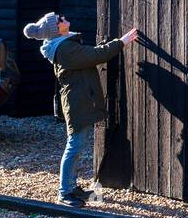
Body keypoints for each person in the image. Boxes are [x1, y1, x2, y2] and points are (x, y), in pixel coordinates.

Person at [23, 11, 139, 206]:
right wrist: (122, 41)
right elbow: (95, 55)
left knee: (76, 145)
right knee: (75, 146)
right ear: (56, 29)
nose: (63, 18)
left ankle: (71, 186)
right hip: (77, 103)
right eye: (59, 19)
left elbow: (89, 54)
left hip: (79, 100)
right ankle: (64, 192)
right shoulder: (64, 49)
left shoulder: (64, 44)